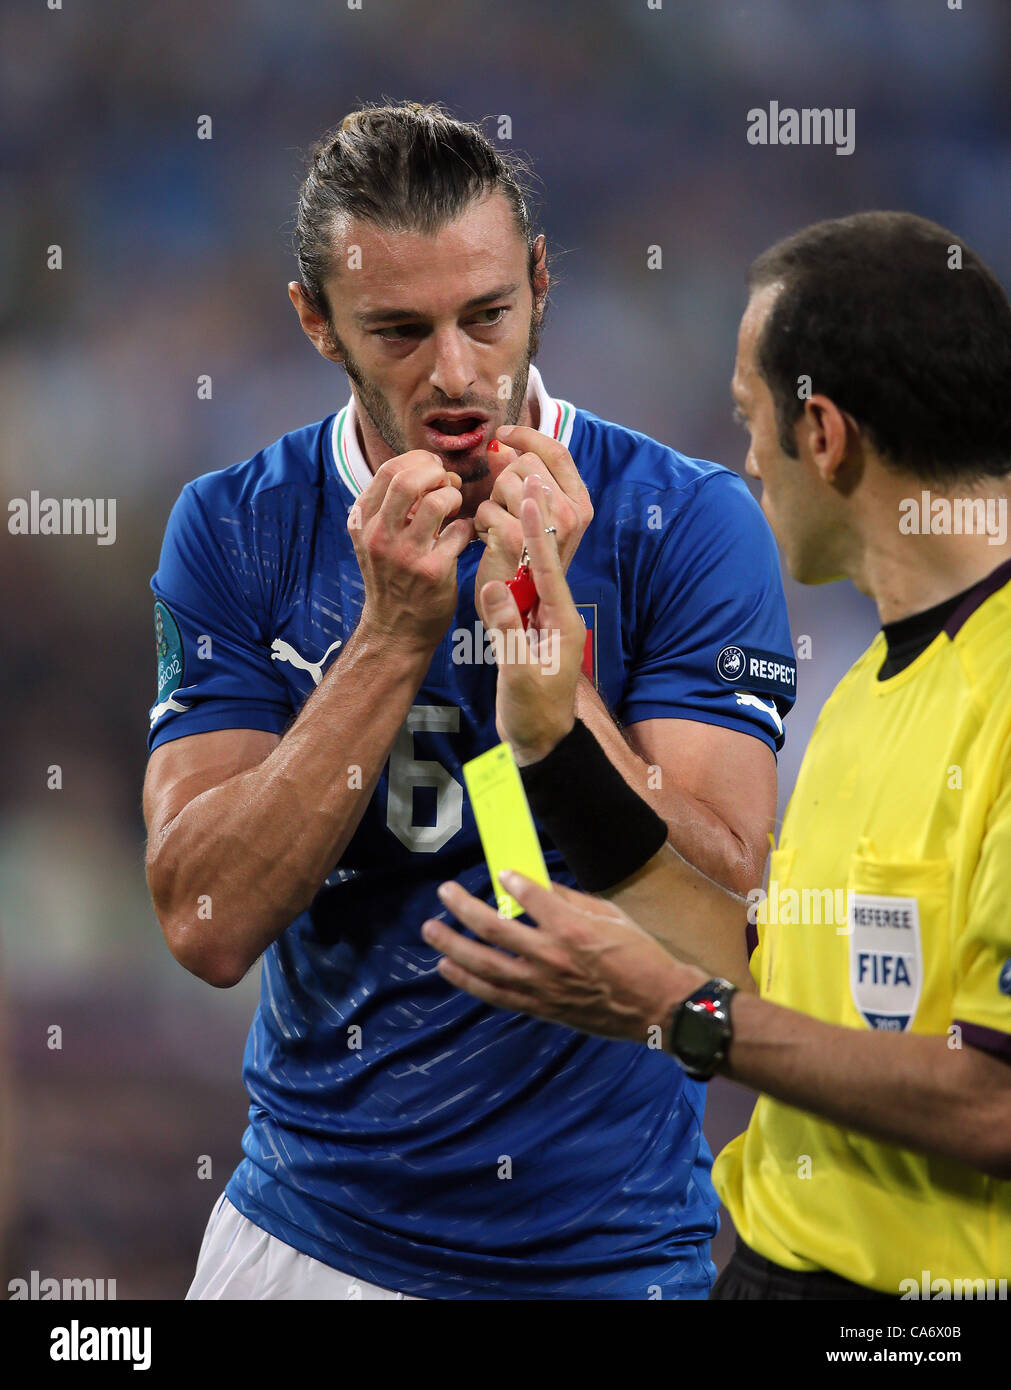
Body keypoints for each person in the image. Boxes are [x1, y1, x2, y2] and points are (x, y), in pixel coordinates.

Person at [143, 100, 795, 1300]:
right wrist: (391, 640)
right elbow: (206, 917)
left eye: (487, 316)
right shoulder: (236, 525)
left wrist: (553, 665)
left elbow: (734, 917)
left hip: (607, 1249)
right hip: (309, 1239)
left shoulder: (688, 521)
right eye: (398, 330)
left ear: (541, 283)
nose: (455, 374)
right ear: (315, 323)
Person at [427, 211, 1011, 1299]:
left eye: (752, 421)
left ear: (823, 434)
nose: (746, 460)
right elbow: (769, 971)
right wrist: (555, 732)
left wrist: (673, 1014)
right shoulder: (877, 687)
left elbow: (993, 1103)